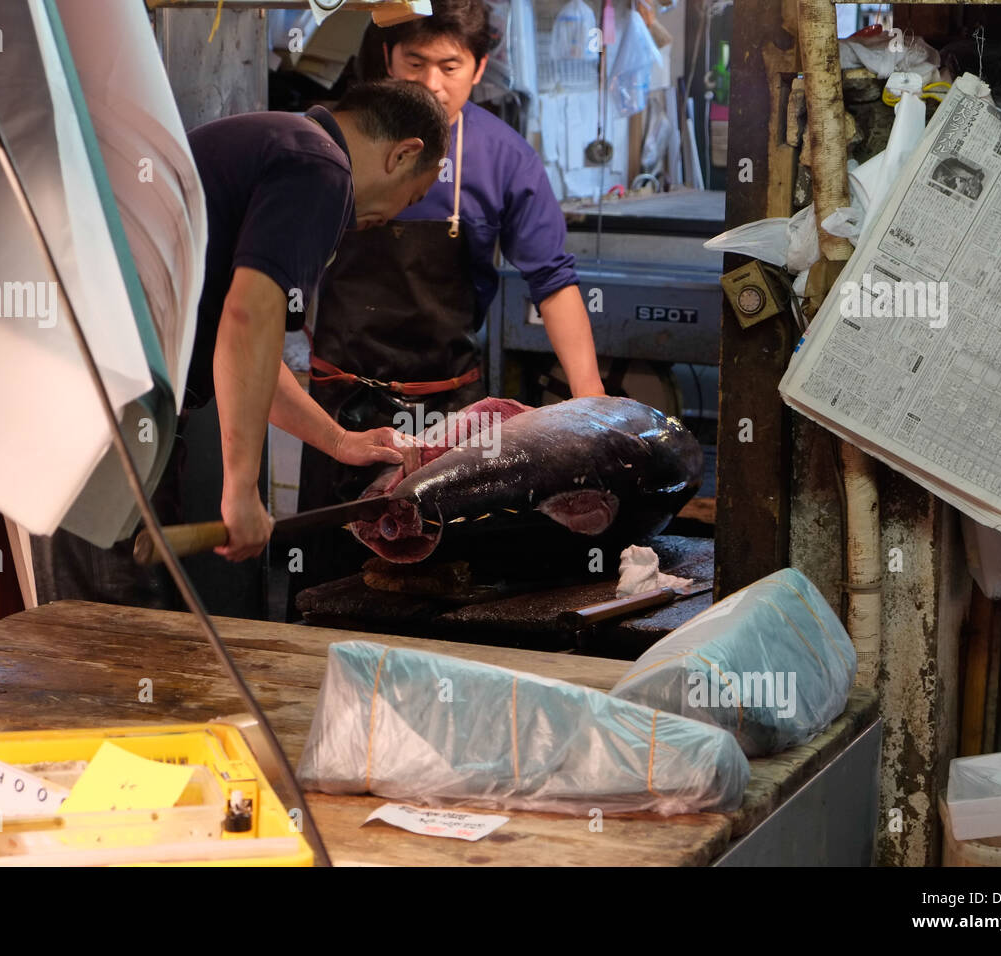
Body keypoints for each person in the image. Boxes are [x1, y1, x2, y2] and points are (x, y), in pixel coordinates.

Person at [31, 80, 449, 610]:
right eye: (410, 198)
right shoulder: (320, 168)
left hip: (90, 406)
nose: (390, 220)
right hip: (103, 413)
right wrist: (241, 489)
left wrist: (339, 441)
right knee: (110, 640)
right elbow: (248, 318)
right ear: (404, 154)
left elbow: (251, 347)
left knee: (117, 629)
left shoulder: (284, 141)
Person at [274, 0, 605, 611]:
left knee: (444, 588)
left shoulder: (503, 157)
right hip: (341, 409)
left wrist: (590, 405)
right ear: (385, 59)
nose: (431, 83)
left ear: (479, 68)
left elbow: (552, 280)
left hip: (452, 414)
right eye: (414, 62)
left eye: (449, 66)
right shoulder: (333, 146)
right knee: (327, 588)